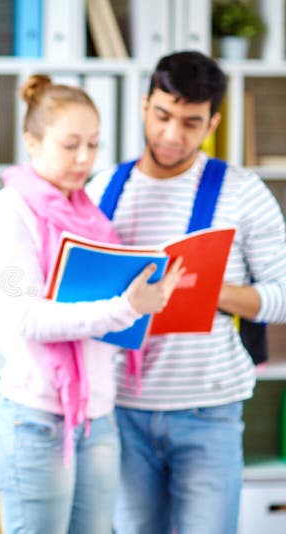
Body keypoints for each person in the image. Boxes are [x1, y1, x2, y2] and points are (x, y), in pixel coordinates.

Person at [86, 50, 286, 534]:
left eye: (191, 122)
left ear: (213, 121)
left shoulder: (244, 191)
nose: (172, 135)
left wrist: (210, 287)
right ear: (143, 105)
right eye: (162, 115)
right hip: (121, 409)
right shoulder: (102, 189)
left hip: (208, 409)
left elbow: (280, 297)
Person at [0, 74, 183, 534]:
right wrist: (126, 308)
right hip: (34, 418)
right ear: (32, 142)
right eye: (71, 145)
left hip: (97, 416)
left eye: (94, 144)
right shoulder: (9, 210)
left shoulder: (92, 216)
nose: (86, 159)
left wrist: (148, 303)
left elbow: (106, 317)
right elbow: (26, 318)